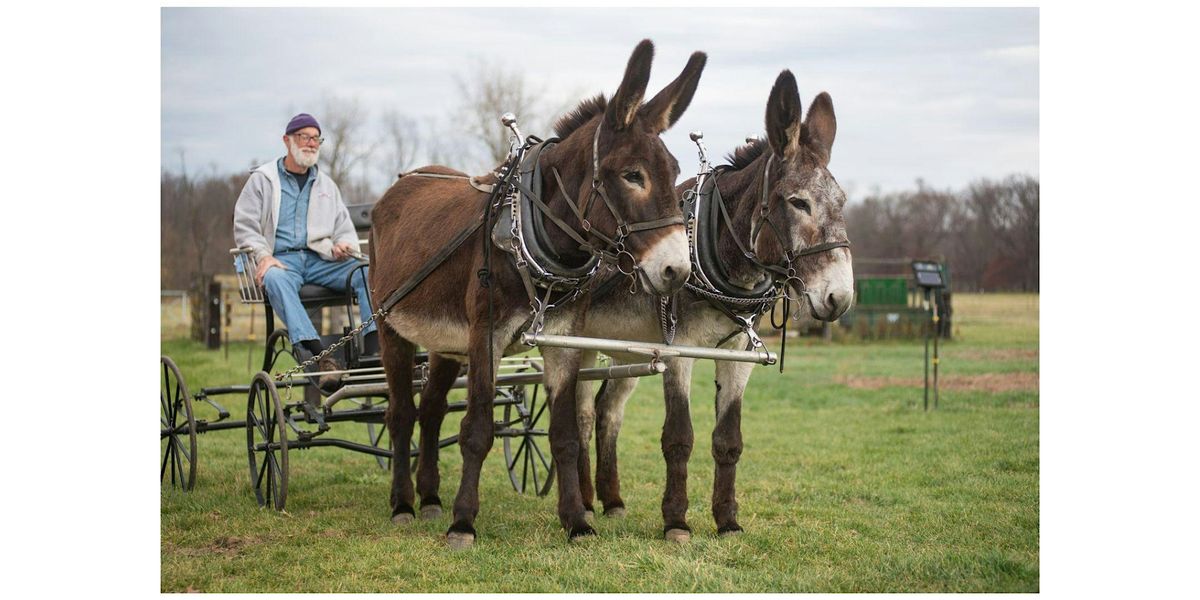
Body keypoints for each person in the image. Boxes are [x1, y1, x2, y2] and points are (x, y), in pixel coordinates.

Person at [233, 113, 377, 394]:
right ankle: (321, 354)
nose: (311, 143)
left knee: (367, 271)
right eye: (304, 137)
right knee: (274, 278)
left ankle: (374, 349)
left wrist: (343, 244)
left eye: (316, 139)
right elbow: (245, 226)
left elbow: (344, 229)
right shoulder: (263, 181)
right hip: (281, 261)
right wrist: (263, 256)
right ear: (287, 141)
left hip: (320, 259)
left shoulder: (326, 185)